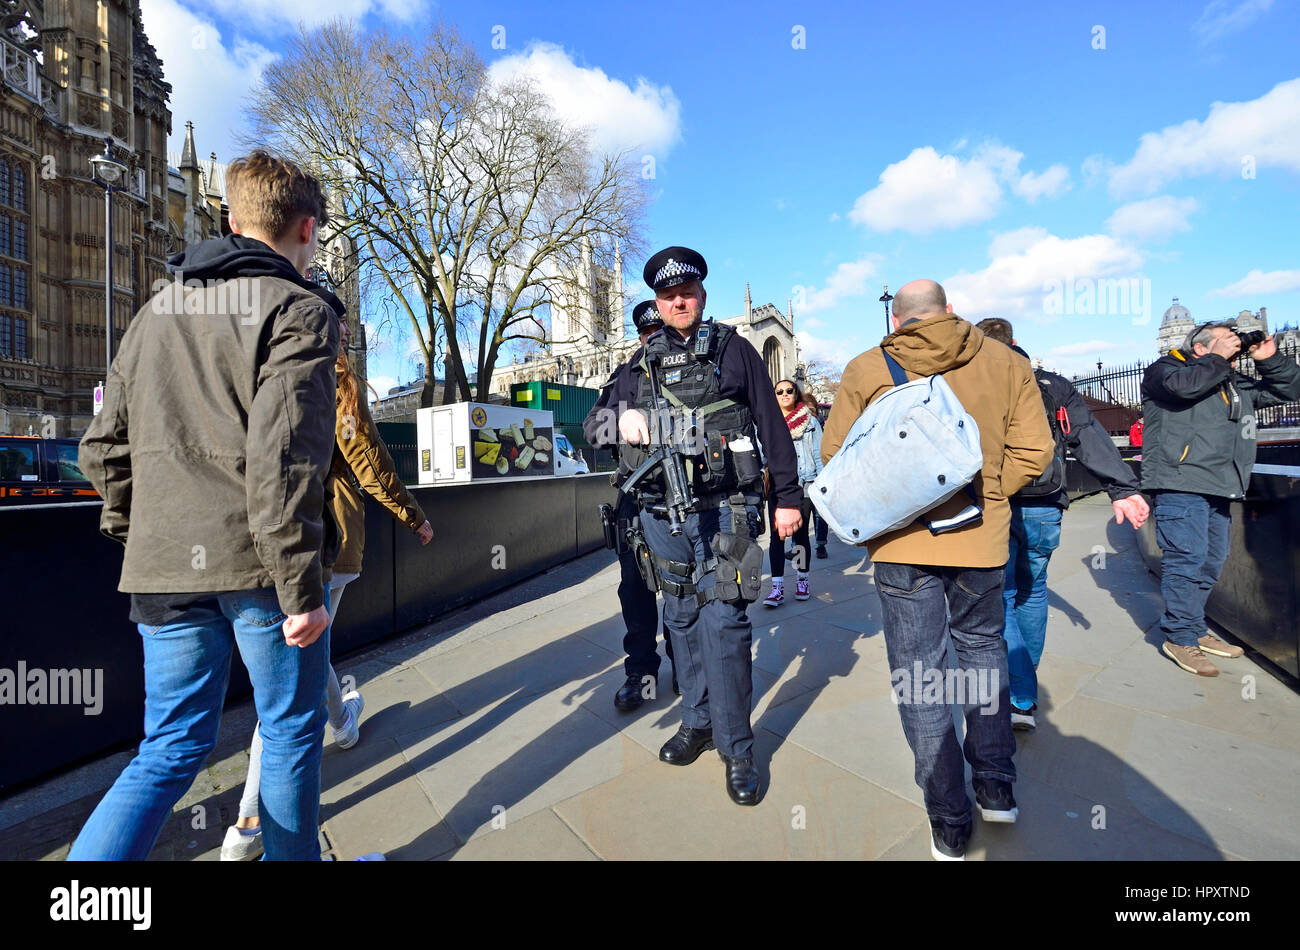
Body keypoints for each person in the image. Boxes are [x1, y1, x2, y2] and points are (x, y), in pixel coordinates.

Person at [73, 150, 341, 861]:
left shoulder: (155, 312)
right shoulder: (299, 310)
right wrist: (302, 591)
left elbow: (100, 451)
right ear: (306, 227)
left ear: (229, 219)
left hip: (163, 571)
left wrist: (148, 534)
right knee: (287, 732)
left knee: (167, 751)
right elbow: (284, 461)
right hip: (259, 572)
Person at [823, 280, 1053, 860]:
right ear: (950, 311)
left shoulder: (865, 368)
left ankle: (949, 820)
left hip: (901, 546)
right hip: (979, 541)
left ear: (896, 321)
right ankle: (995, 786)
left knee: (920, 677)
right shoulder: (1005, 360)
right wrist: (987, 494)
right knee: (983, 651)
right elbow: (1037, 451)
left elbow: (836, 460)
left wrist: (898, 504)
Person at [222, 311, 435, 860]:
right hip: (326, 544)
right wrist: (413, 516)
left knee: (302, 665)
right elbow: (366, 459)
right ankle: (247, 828)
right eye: (339, 324)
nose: (346, 333)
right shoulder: (336, 377)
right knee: (287, 692)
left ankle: (342, 722)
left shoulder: (252, 362)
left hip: (257, 542)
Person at [610, 246, 802, 805]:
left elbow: (771, 423)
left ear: (701, 296)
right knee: (682, 618)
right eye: (668, 296)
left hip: (729, 509)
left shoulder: (734, 350)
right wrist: (618, 418)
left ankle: (737, 748)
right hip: (662, 516)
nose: (678, 302)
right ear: (656, 302)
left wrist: (787, 496)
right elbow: (597, 427)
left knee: (727, 621)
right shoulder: (637, 364)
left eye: (686, 293)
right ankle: (696, 723)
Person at [975, 319, 1149, 729]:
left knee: (1001, 597)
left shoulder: (973, 381)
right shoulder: (1050, 384)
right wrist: (1122, 487)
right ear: (1016, 343)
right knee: (1033, 592)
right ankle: (1023, 698)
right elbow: (1085, 433)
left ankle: (1019, 691)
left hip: (994, 502)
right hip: (1044, 502)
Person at [1141, 321, 1300, 676]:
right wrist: (1216, 358)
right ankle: (1179, 636)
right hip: (1180, 482)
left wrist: (1269, 359)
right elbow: (1184, 389)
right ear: (1201, 349)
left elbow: (1288, 391)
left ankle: (1194, 629)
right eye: (1225, 343)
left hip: (1220, 483)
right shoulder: (1165, 371)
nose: (1233, 350)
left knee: (1212, 561)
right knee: (1187, 560)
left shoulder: (1228, 380)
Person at [582, 300, 676, 712]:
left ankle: (688, 667)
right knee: (635, 590)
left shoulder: (691, 368)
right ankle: (640, 671)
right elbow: (592, 430)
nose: (652, 338)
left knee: (682, 589)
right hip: (636, 502)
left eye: (659, 331)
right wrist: (619, 420)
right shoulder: (626, 375)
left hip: (682, 498)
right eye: (646, 334)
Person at [763, 379, 822, 606]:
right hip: (777, 486)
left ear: (796, 394)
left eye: (789, 390)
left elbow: (818, 454)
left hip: (804, 484)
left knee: (799, 537)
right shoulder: (768, 423)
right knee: (777, 538)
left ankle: (802, 580)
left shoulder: (811, 422)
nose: (785, 394)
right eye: (780, 391)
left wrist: (820, 484)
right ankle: (776, 587)